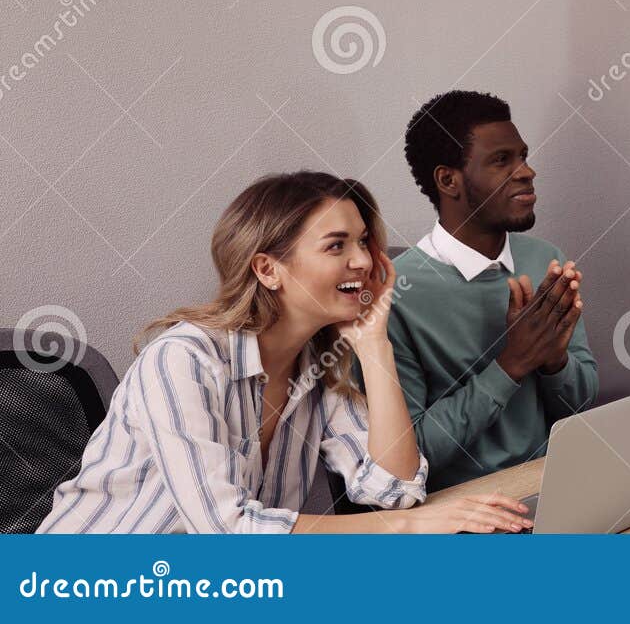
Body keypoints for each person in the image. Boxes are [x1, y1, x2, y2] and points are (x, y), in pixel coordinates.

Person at [40, 172, 531, 533]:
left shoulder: (317, 367)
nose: (362, 260)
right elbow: (230, 534)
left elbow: (395, 491)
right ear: (268, 270)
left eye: (362, 242)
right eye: (336, 246)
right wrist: (406, 529)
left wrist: (374, 343)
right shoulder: (182, 360)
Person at [391, 90, 598, 491]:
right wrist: (513, 363)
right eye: (502, 161)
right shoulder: (395, 296)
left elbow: (580, 408)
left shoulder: (545, 260)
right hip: (464, 512)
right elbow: (411, 454)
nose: (526, 171)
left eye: (522, 156)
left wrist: (554, 360)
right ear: (448, 180)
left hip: (552, 487)